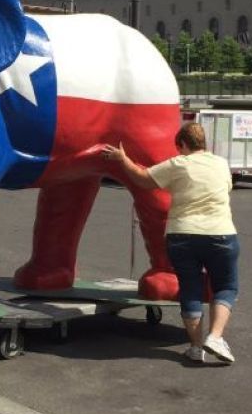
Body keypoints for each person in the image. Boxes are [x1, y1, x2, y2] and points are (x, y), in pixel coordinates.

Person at [102, 122, 239, 364]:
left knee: (190, 289)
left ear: (183, 145)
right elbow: (225, 189)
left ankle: (196, 347)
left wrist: (122, 159)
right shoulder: (221, 163)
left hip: (182, 234)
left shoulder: (178, 164)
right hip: (221, 233)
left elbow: (144, 179)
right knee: (225, 287)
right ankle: (215, 337)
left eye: (179, 148)